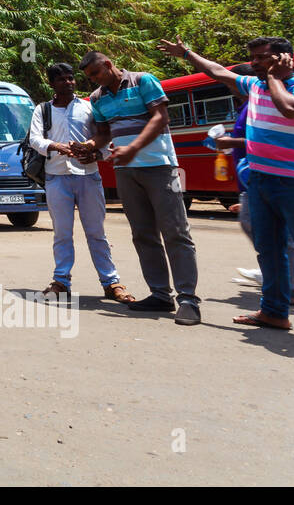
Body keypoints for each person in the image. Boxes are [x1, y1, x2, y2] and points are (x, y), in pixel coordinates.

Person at [158, 36, 294, 348]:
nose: (256, 63)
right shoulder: (256, 86)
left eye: (263, 57)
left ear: (286, 58)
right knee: (269, 252)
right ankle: (275, 312)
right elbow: (218, 72)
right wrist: (186, 53)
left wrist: (274, 77)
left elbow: (289, 109)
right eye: (254, 58)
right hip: (260, 182)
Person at [75, 51, 201, 324]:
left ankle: (188, 299)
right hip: (125, 171)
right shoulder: (98, 98)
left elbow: (160, 118)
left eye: (95, 74)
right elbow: (104, 133)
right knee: (143, 234)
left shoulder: (143, 81)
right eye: (89, 77)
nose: (93, 80)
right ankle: (160, 295)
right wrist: (88, 148)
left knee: (175, 232)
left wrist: (133, 148)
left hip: (159, 166)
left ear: (108, 64)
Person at [26, 63, 134, 303]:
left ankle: (111, 282)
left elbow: (106, 140)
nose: (69, 82)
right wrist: (56, 146)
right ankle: (61, 281)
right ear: (52, 84)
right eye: (62, 79)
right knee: (62, 234)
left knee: (97, 233)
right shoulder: (42, 110)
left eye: (71, 78)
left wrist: (95, 154)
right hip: (56, 178)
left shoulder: (89, 107)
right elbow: (35, 139)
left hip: (88, 177)